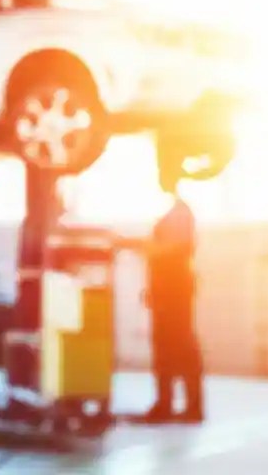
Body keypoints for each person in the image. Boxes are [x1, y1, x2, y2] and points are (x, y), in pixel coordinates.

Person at [119, 170, 205, 424]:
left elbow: (171, 249)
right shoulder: (173, 212)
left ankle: (189, 407)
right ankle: (167, 404)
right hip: (167, 290)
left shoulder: (181, 213)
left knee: (180, 347)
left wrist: (139, 246)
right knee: (165, 349)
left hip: (174, 291)